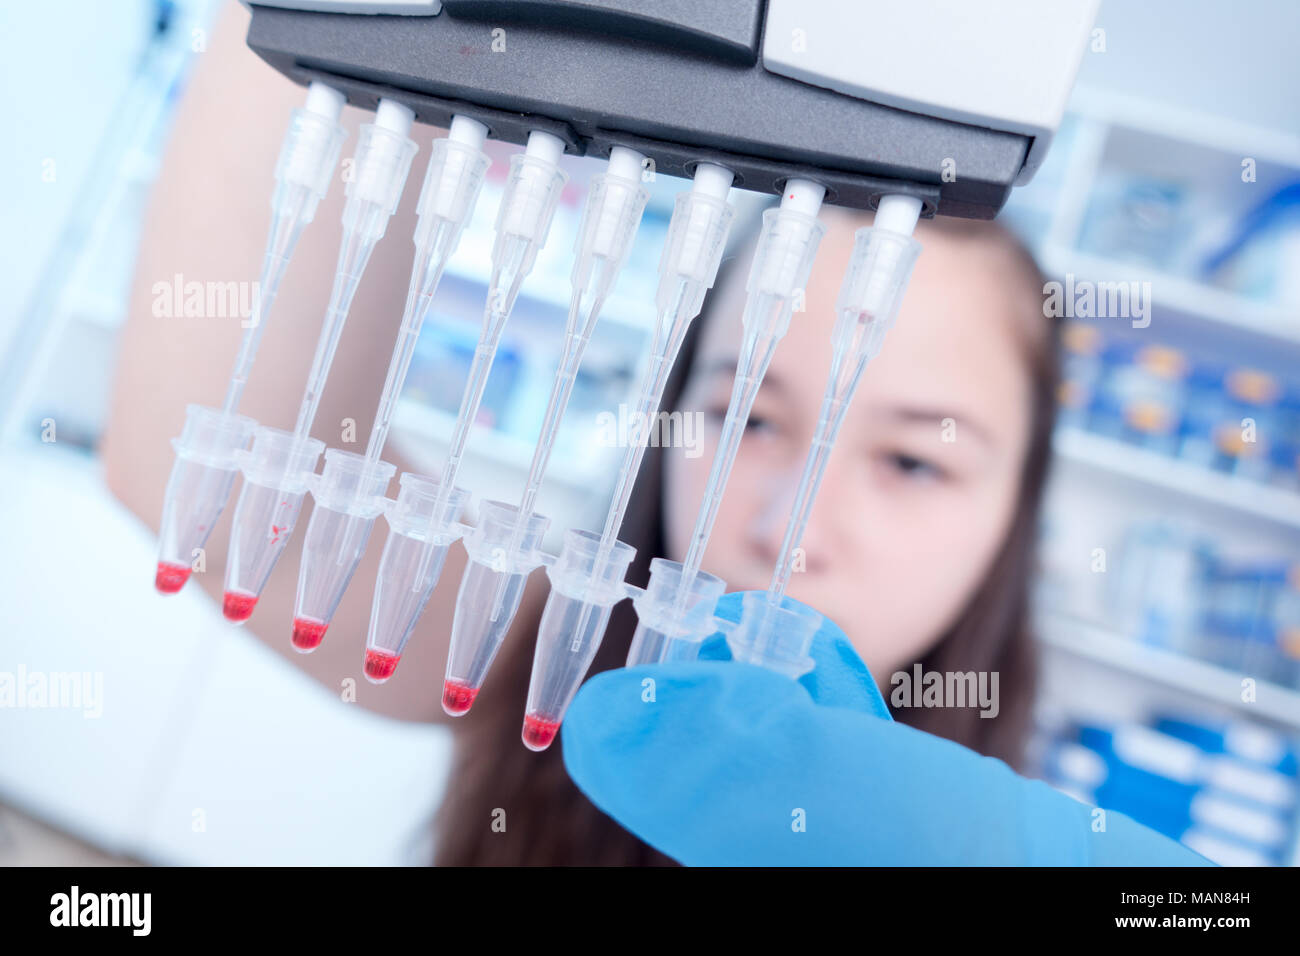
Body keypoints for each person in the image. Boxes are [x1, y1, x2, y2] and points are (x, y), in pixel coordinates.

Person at [102, 2, 1207, 866]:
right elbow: (213, 470)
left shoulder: (1042, 836)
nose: (791, 529)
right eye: (746, 416)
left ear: (1020, 507)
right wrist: (390, 30)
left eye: (914, 459)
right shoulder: (546, 658)